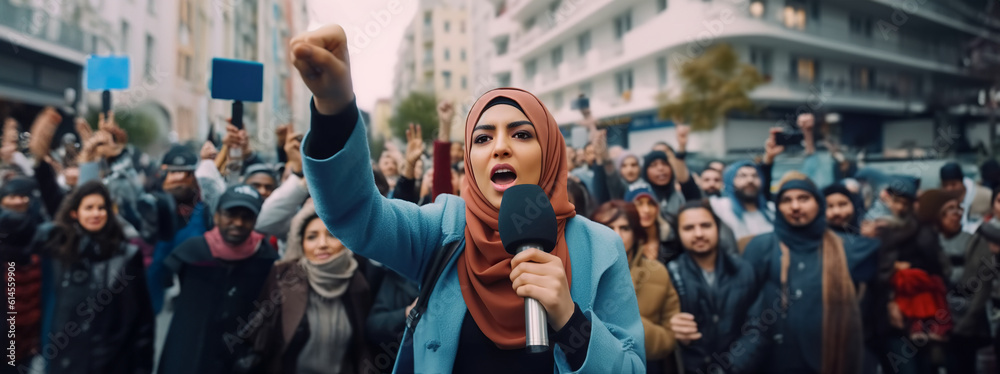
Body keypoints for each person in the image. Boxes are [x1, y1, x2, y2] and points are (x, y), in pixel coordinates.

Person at [294, 24, 644, 373]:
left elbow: (632, 366)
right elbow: (358, 215)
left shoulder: (600, 248)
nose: (500, 147)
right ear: (472, 161)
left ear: (550, 151)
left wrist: (570, 321)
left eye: (521, 134)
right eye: (482, 138)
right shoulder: (442, 229)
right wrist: (334, 108)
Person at [741, 179, 863, 374]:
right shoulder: (761, 246)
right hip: (775, 359)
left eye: (803, 198)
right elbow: (743, 300)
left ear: (819, 203)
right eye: (787, 200)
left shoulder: (844, 247)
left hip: (828, 357)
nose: (795, 206)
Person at [33, 181, 153, 374]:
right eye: (89, 208)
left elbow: (142, 322)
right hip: (65, 361)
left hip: (111, 363)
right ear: (75, 213)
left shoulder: (127, 257)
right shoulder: (57, 253)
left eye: (101, 207)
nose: (96, 213)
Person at [158, 184, 279, 374]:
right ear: (216, 216)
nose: (238, 223)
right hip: (189, 352)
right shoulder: (192, 252)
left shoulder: (266, 258)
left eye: (246, 217)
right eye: (231, 214)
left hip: (238, 359)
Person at [244, 201, 373, 373]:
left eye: (332, 235)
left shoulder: (358, 281)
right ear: (301, 243)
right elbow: (259, 336)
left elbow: (362, 347)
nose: (322, 244)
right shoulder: (282, 276)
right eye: (312, 236)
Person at [665, 201, 758, 374]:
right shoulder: (670, 274)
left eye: (705, 225)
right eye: (689, 228)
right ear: (678, 232)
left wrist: (732, 365)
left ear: (718, 227)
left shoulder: (744, 269)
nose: (699, 234)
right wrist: (671, 331)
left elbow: (757, 326)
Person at [592, 200, 680, 373]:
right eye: (608, 227)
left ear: (636, 233)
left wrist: (629, 322)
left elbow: (671, 337)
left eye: (625, 228)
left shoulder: (657, 272)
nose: (616, 235)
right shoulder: (583, 272)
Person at [0, 177, 45, 372]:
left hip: (30, 335)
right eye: (12, 196)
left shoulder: (40, 235)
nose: (18, 201)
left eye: (23, 196)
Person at [710, 160, 774, 244]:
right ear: (730, 180)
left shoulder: (772, 209)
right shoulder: (720, 206)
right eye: (743, 176)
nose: (750, 180)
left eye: (755, 175)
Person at [628, 185, 678, 264]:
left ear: (657, 208)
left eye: (651, 203)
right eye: (639, 204)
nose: (646, 210)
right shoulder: (626, 243)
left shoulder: (674, 234)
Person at [940, 162, 992, 233]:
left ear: (962, 181)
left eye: (953, 184)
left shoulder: (986, 195)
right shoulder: (941, 202)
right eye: (945, 185)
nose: (949, 188)